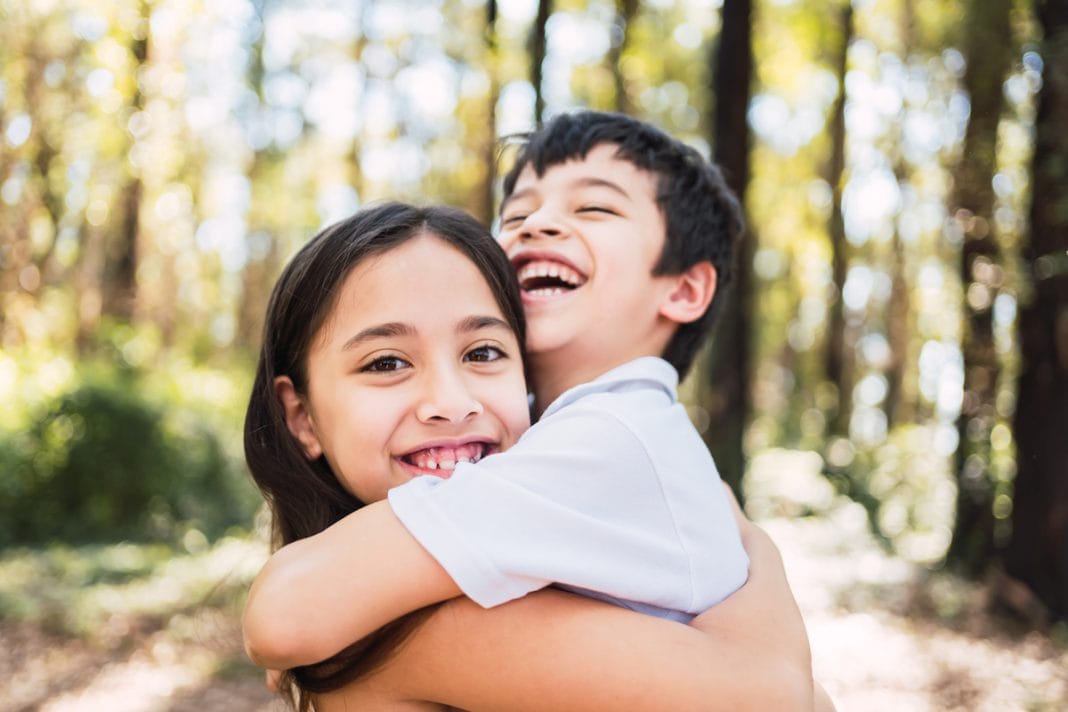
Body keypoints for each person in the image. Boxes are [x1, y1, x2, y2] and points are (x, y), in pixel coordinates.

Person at [243, 201, 826, 710]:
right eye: (387, 363)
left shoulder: (424, 590)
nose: (452, 402)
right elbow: (777, 697)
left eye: (485, 351)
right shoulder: (412, 633)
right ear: (302, 417)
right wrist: (756, 550)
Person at [244, 109, 747, 656]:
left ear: (685, 289)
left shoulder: (607, 441)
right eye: (517, 214)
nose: (536, 225)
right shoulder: (572, 432)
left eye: (594, 206)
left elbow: (287, 616)